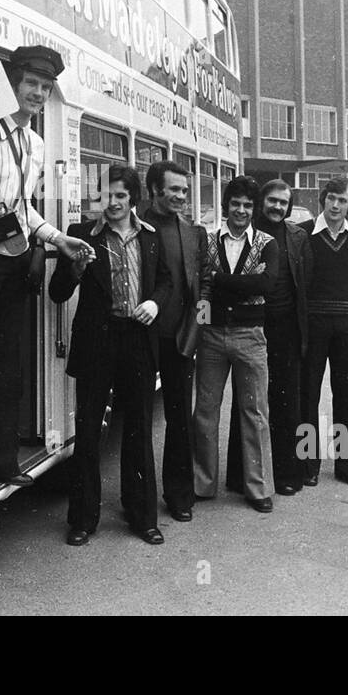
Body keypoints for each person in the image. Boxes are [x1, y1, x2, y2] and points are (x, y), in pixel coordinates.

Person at [0, 45, 93, 501]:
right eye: (31, 84)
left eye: (45, 87)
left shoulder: (33, 144)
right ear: (11, 86)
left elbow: (24, 209)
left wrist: (57, 239)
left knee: (10, 365)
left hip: (14, 262)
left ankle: (4, 463)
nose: (37, 93)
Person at [51, 165, 171, 545]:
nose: (114, 203)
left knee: (138, 429)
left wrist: (154, 302)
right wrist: (75, 268)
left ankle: (143, 518)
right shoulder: (81, 236)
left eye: (121, 196)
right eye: (107, 196)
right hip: (97, 342)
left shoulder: (150, 236)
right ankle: (83, 520)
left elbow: (167, 281)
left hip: (137, 340)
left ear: (133, 199)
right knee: (87, 433)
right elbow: (58, 292)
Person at [193, 176, 278, 512]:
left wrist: (221, 281)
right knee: (205, 411)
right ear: (226, 205)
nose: (241, 210)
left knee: (255, 413)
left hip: (251, 336)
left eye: (247, 205)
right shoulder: (208, 239)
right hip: (211, 336)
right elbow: (202, 288)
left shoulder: (267, 243)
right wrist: (201, 328)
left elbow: (267, 285)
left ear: (253, 210)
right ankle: (203, 484)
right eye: (235, 204)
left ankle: (258, 489)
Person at [224, 179, 306, 496]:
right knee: (247, 404)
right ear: (262, 202)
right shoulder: (246, 233)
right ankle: (240, 476)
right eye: (272, 200)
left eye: (283, 203)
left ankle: (286, 475)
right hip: (249, 326)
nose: (277, 207)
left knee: (286, 403)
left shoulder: (297, 236)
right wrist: (205, 323)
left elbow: (305, 282)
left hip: (286, 328)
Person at [140, 160, 209, 523]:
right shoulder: (136, 226)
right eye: (174, 190)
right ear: (154, 190)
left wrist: (199, 330)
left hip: (181, 338)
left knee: (180, 419)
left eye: (185, 190)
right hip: (141, 337)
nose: (182, 196)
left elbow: (204, 289)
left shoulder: (194, 232)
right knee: (138, 419)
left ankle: (179, 494)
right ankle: (140, 499)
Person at [299, 177, 348, 487]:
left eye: (343, 201)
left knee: (347, 393)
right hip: (314, 323)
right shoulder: (304, 235)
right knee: (308, 393)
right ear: (322, 200)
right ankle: (308, 465)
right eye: (332, 199)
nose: (337, 206)